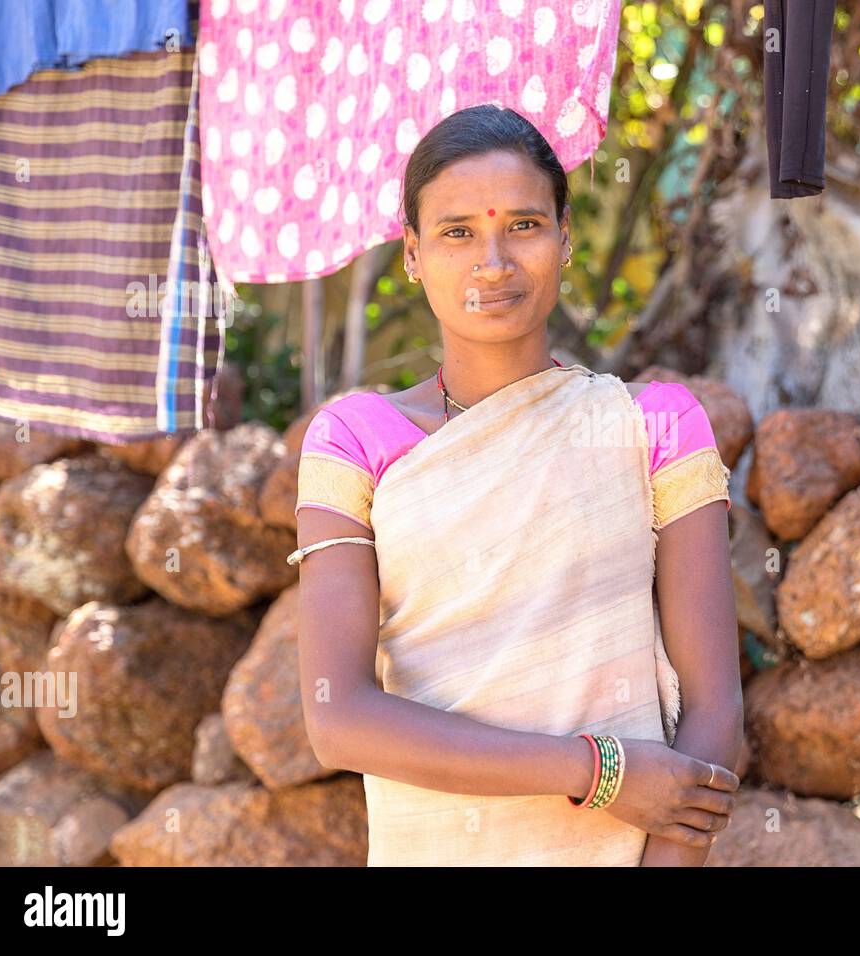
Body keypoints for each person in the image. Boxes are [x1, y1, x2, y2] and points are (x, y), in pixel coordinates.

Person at [292, 104, 743, 866]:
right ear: (411, 253)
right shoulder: (355, 441)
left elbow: (715, 710)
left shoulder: (653, 428)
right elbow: (339, 719)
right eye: (457, 231)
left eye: (524, 226)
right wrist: (597, 771)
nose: (492, 261)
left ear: (565, 240)